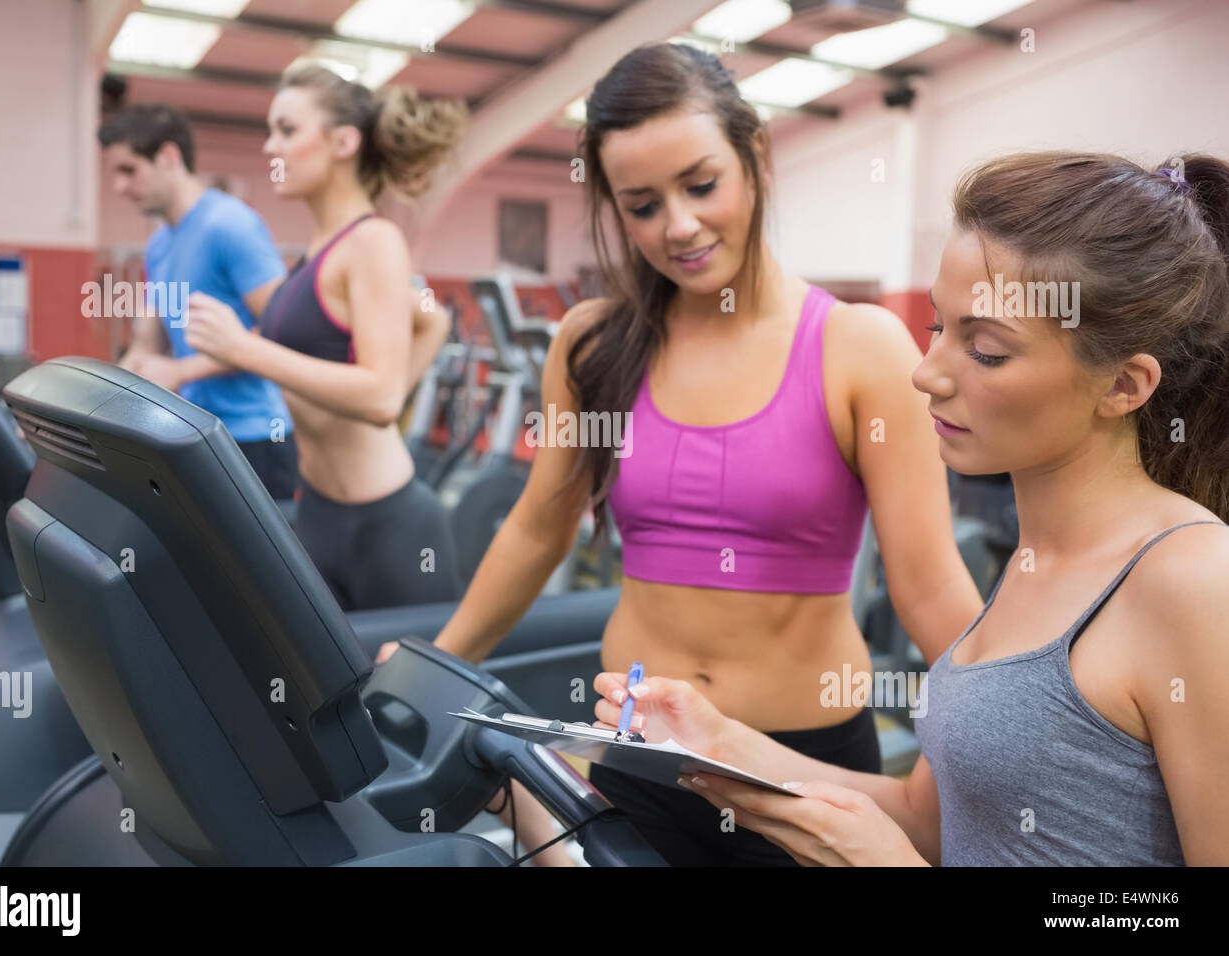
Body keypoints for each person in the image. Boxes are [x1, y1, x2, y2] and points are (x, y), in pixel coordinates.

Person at [378, 42, 984, 866]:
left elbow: (928, 580)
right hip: (637, 754)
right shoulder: (592, 344)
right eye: (643, 205)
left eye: (702, 185)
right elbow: (539, 526)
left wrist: (1018, 727)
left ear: (756, 157)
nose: (681, 226)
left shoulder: (857, 345)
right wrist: (438, 667)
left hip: (803, 767)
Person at [594, 151, 1229, 866]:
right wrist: (719, 743)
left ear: (1124, 384)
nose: (926, 373)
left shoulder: (1195, 580)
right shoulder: (1032, 565)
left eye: (985, 351)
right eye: (938, 328)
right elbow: (928, 819)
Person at [183, 64, 464, 612]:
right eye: (271, 130)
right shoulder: (320, 252)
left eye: (287, 130)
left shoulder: (374, 241)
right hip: (318, 514)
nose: (271, 146)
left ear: (343, 142)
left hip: (385, 524)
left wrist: (245, 348)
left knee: (414, 699)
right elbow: (434, 321)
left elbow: (380, 397)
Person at [99, 104, 299, 499]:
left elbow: (283, 330)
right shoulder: (158, 245)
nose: (119, 187)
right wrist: (82, 408)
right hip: (194, 433)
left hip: (254, 438)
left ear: (168, 157)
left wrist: (180, 372)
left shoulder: (229, 225)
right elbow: (146, 346)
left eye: (128, 170)